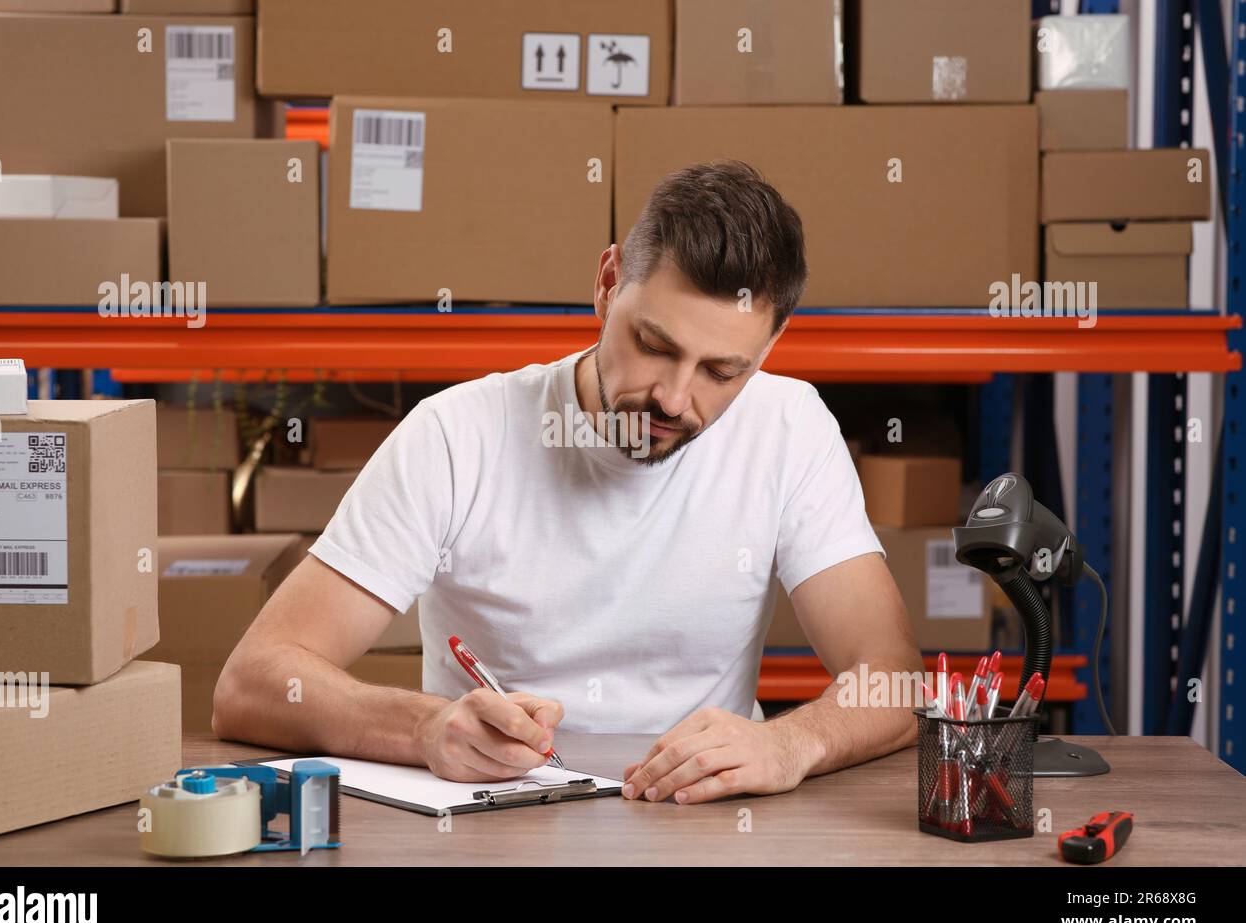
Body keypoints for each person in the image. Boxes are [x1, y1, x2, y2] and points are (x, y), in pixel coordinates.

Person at [214, 160, 923, 806]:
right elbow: (252, 683)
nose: (675, 399)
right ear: (608, 284)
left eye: (723, 371)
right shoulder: (457, 435)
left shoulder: (789, 427)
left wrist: (788, 743)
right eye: (655, 345)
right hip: (495, 825)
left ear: (770, 347)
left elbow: (894, 678)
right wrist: (427, 728)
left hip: (703, 823)